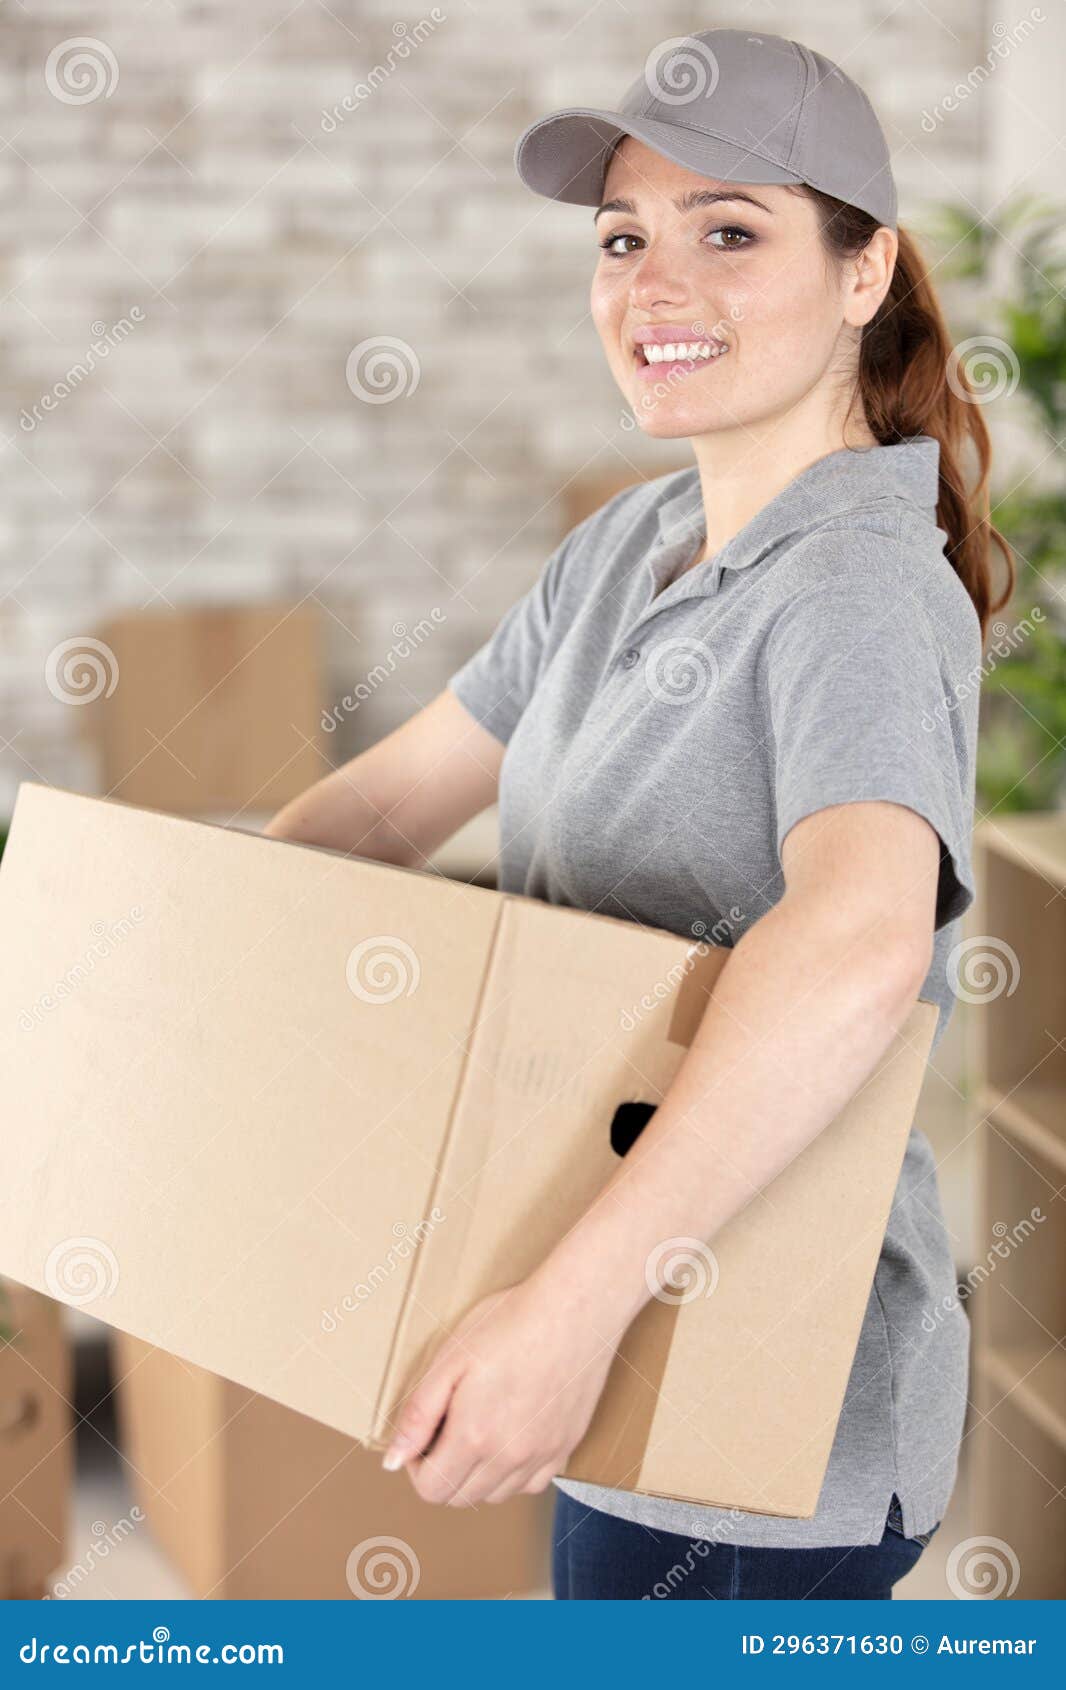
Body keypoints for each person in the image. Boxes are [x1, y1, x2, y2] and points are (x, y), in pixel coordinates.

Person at [266, 28, 1013, 1600]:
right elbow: (389, 805)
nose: (652, 284)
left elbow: (863, 942)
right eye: (622, 239)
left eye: (726, 232)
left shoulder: (858, 591)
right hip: (621, 1361)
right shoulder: (628, 545)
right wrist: (184, 963)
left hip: (766, 1430)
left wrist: (566, 1311)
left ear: (863, 271)